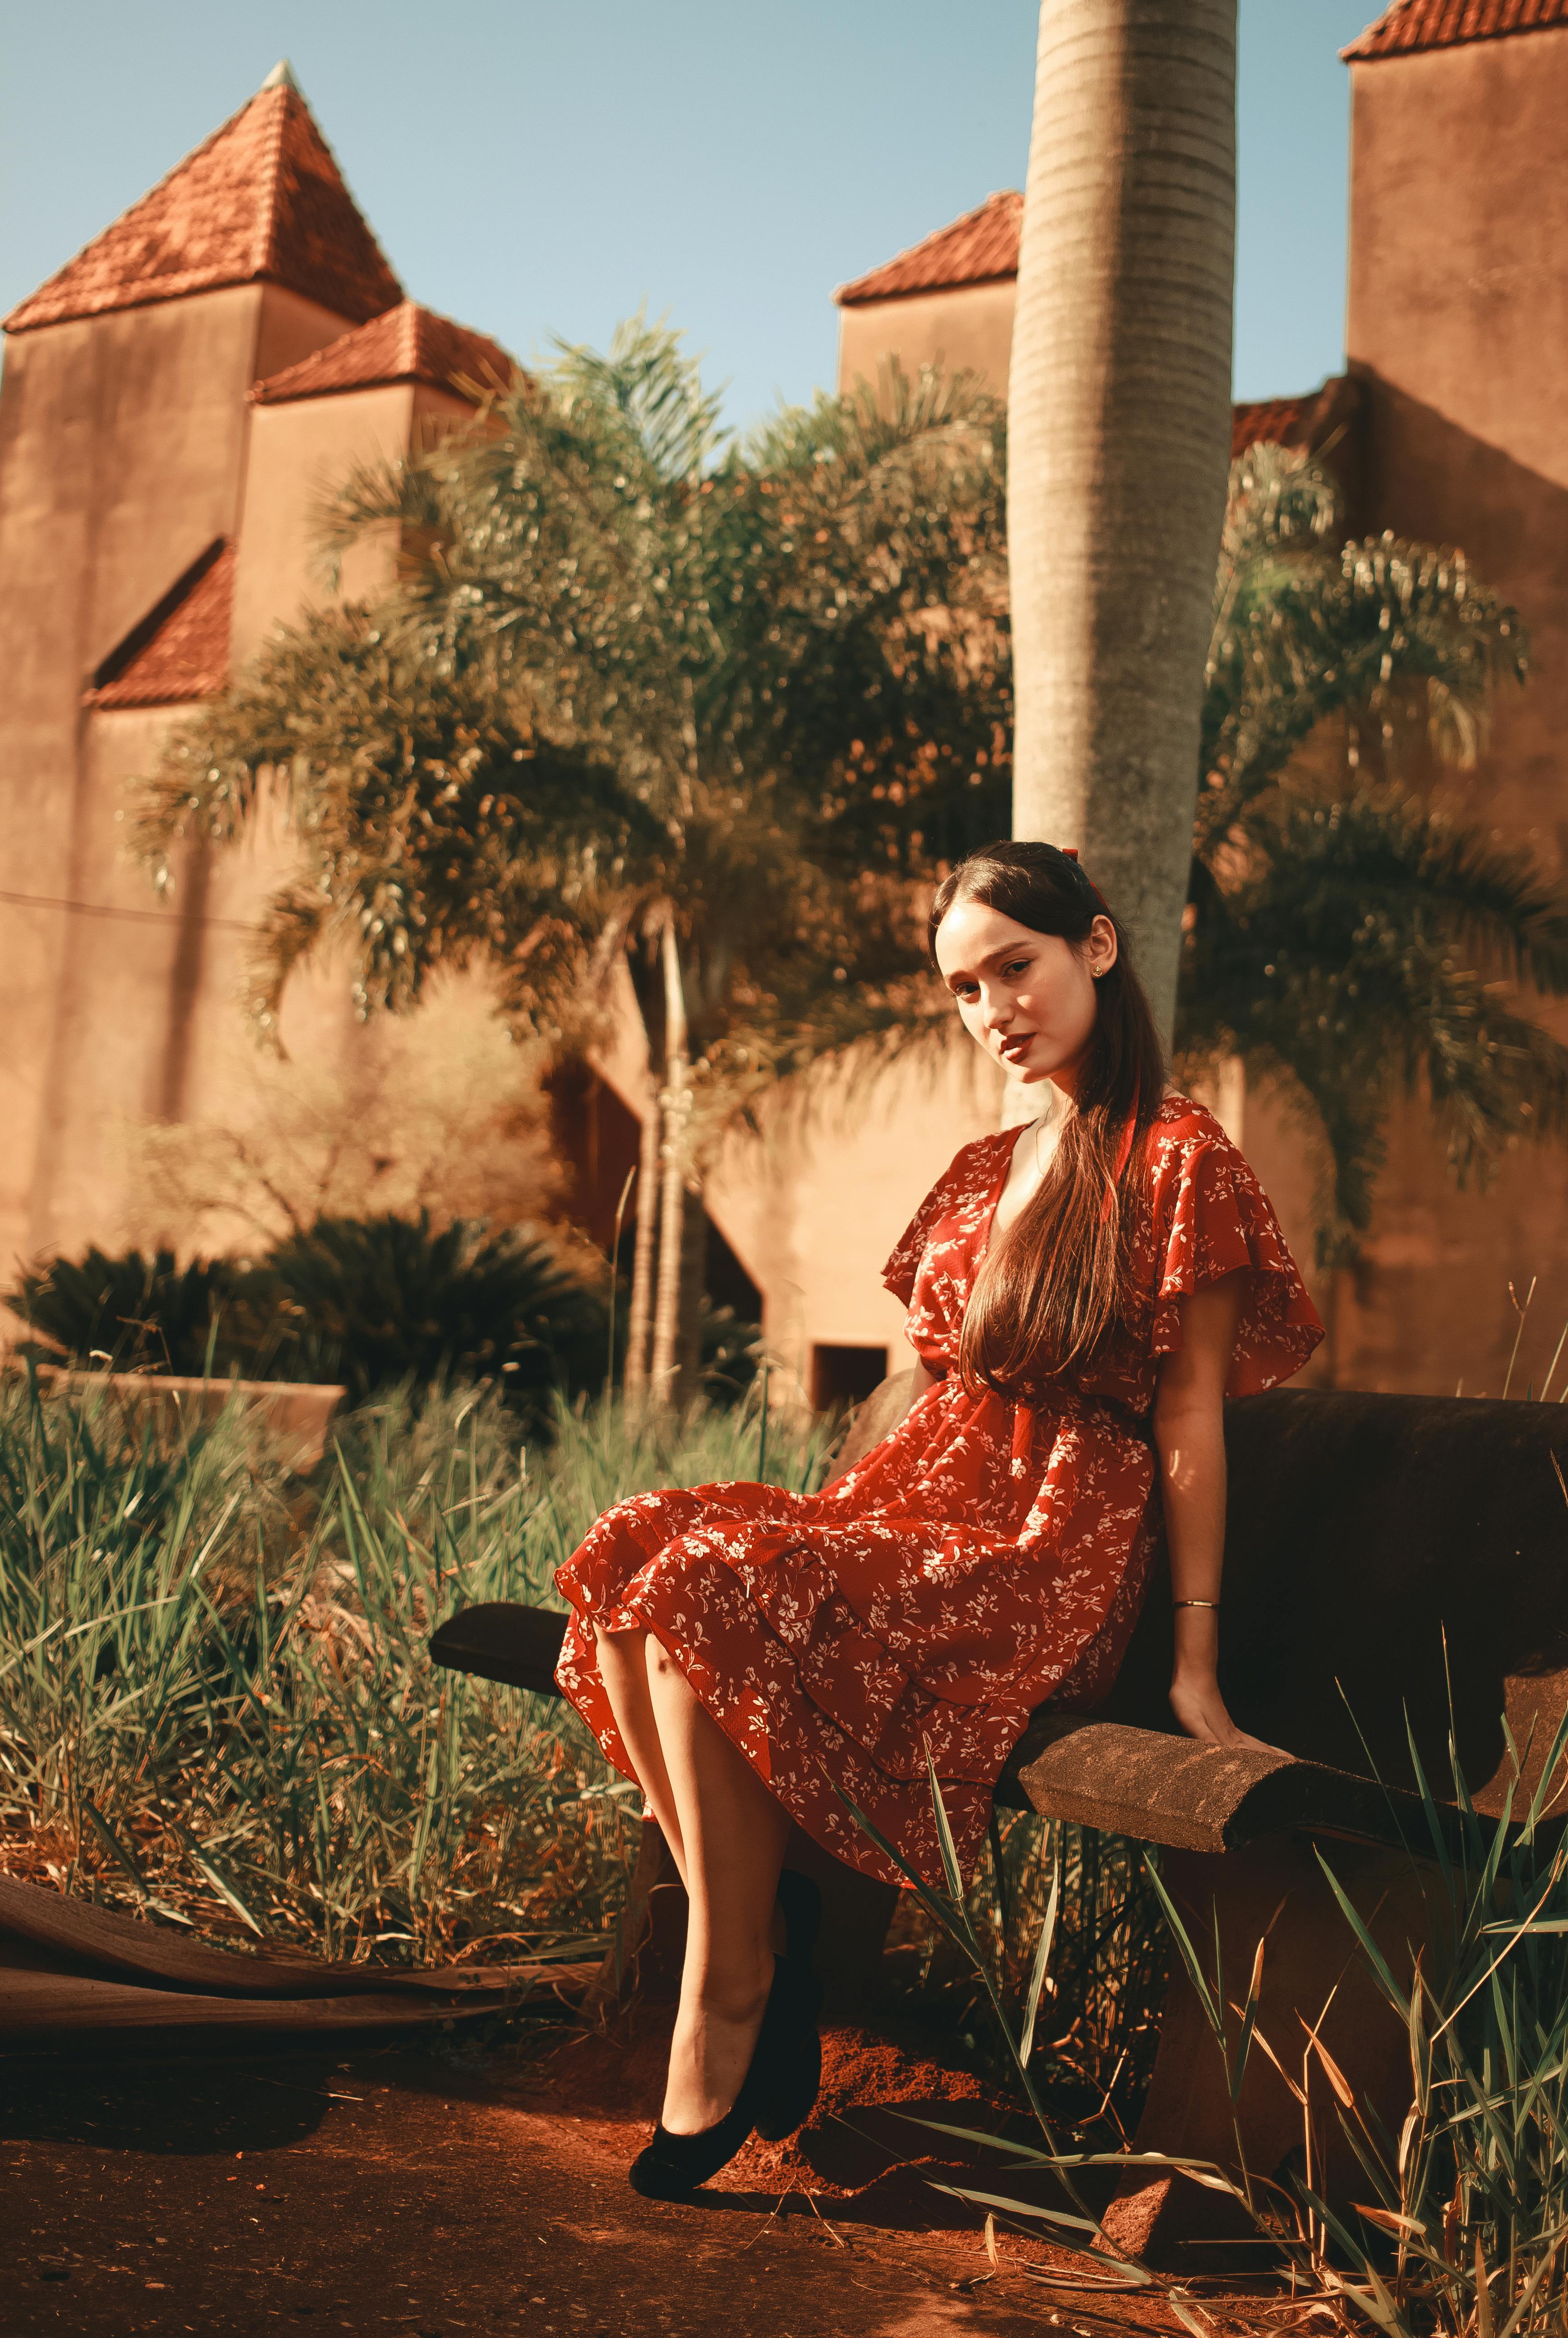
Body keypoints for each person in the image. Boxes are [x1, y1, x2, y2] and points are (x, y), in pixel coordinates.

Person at [555, 839, 1323, 2198]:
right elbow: (932, 1383)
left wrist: (1195, 1664)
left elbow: (1192, 1416)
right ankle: (764, 1946)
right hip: (920, 1506)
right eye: (965, 992)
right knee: (636, 1556)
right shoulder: (986, 1168)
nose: (993, 1013)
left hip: (1042, 1550)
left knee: (703, 1586)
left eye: (1014, 969)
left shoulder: (1181, 1158)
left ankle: (727, 1987)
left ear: (1097, 945)